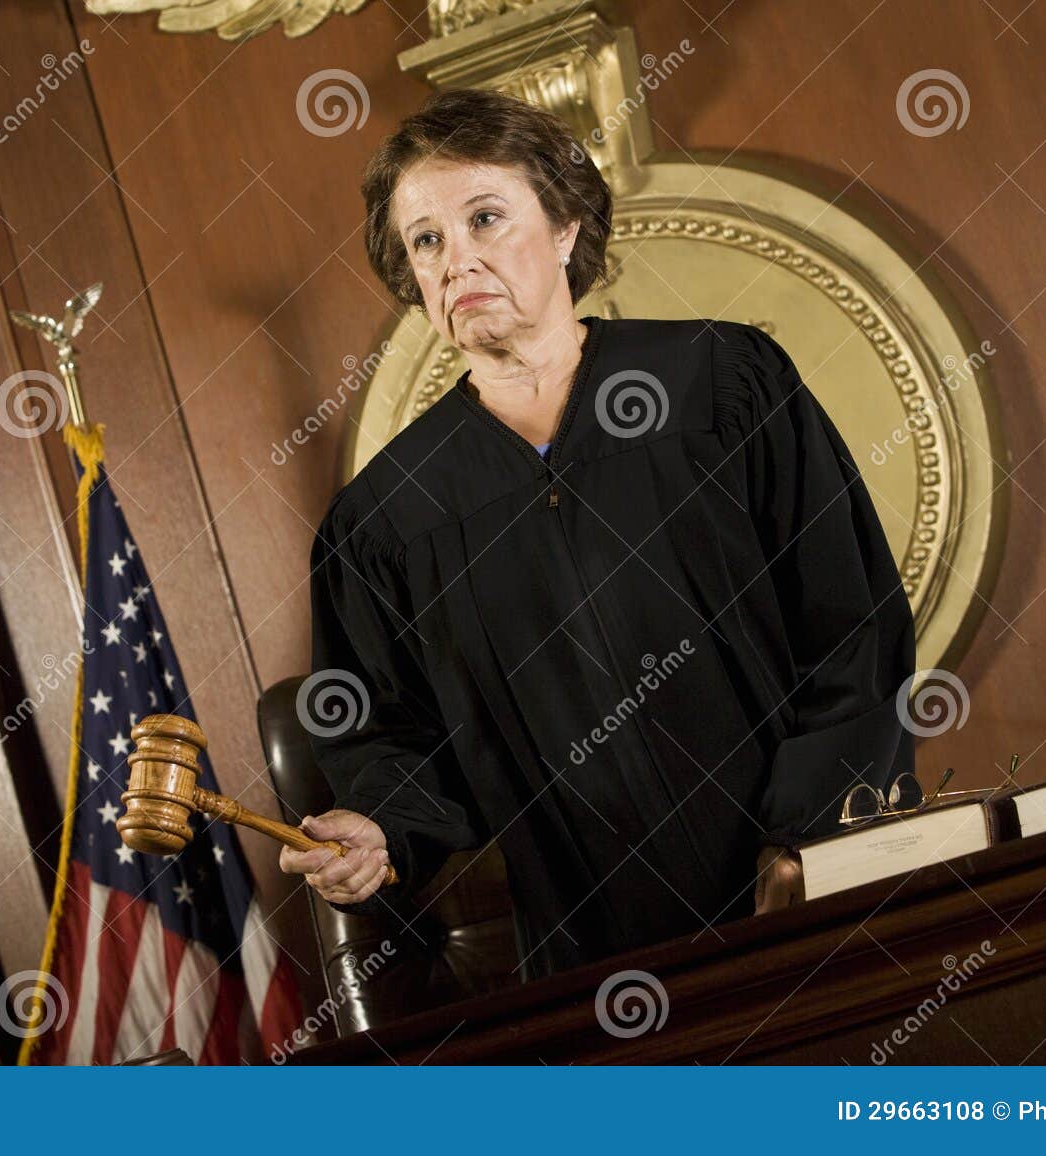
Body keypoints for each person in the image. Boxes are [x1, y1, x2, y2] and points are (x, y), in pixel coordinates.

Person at [278, 87, 916, 982]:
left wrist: (808, 845)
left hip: (813, 904)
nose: (457, 261)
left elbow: (853, 626)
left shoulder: (722, 384)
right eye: (426, 241)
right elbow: (389, 740)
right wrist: (382, 829)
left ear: (566, 228)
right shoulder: (385, 521)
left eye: (485, 219)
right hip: (597, 964)